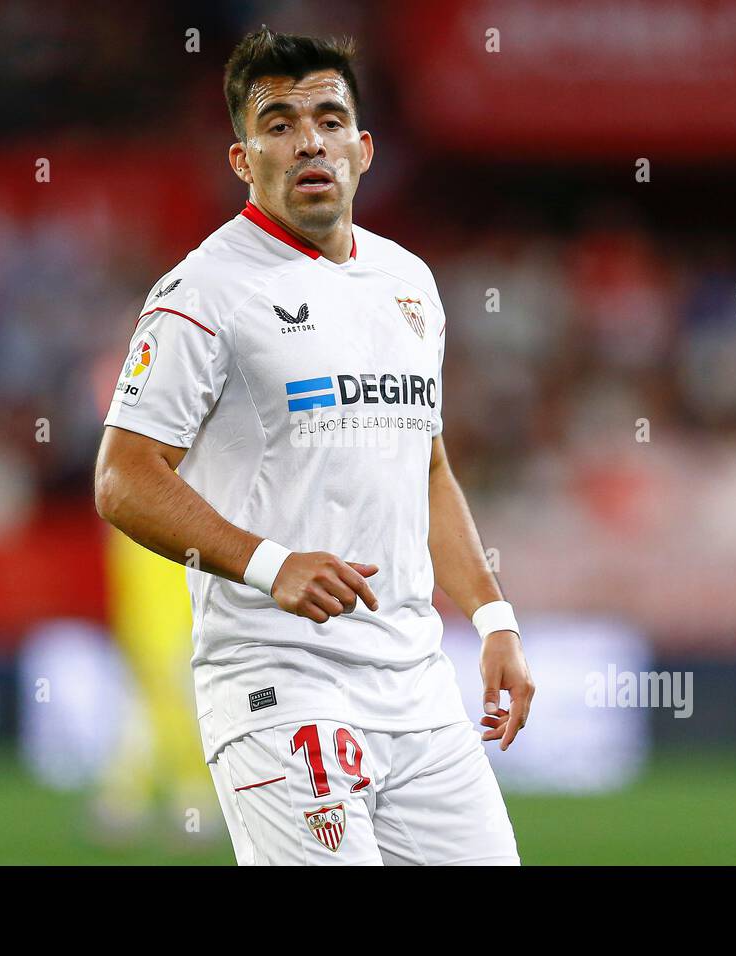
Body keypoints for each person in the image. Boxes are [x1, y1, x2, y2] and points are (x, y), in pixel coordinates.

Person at [94, 27, 534, 865]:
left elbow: (427, 467)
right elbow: (122, 478)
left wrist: (494, 618)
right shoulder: (203, 293)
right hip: (281, 685)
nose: (309, 141)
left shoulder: (410, 283)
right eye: (280, 122)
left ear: (363, 149)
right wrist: (270, 564)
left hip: (417, 688)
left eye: (330, 119)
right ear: (242, 157)